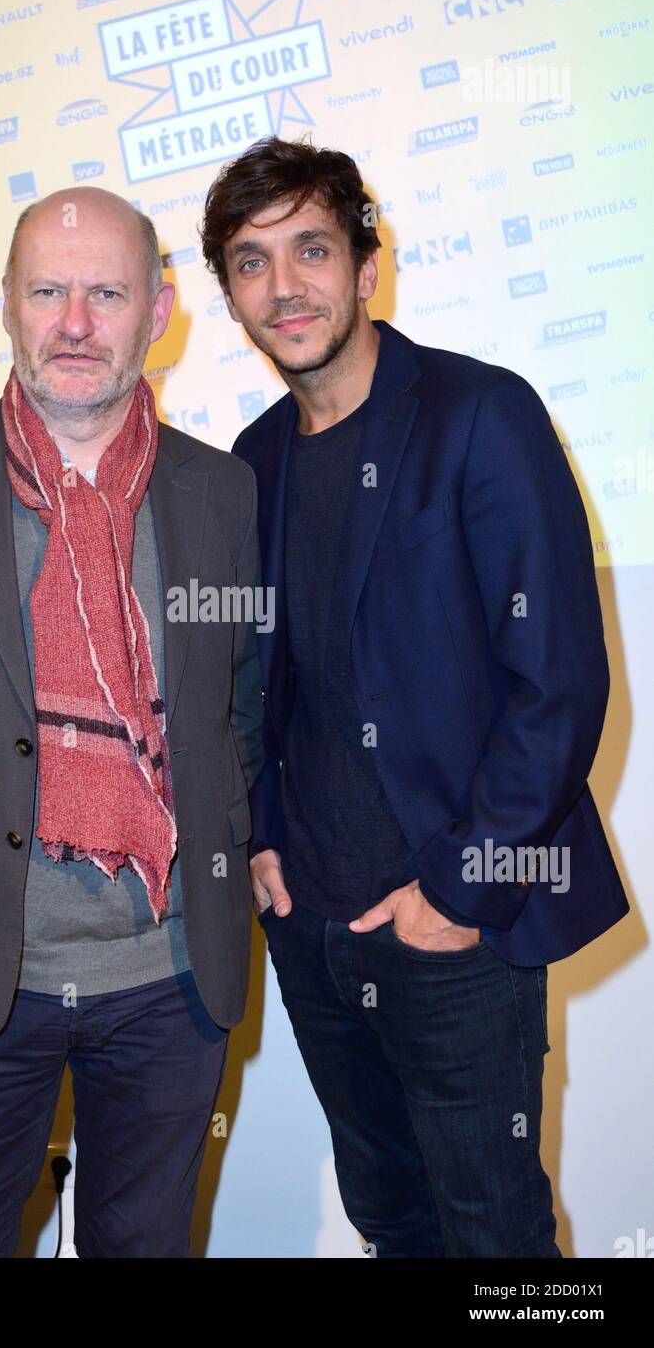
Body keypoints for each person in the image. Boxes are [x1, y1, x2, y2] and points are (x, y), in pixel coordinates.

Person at [199, 135, 629, 1258]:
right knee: (390, 1222)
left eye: (309, 249)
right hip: (315, 933)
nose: (283, 287)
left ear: (363, 265)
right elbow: (256, 689)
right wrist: (258, 838)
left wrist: (455, 890)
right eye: (251, 262)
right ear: (229, 294)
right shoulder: (252, 463)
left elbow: (558, 686)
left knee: (496, 1236)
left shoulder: (479, 415)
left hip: (455, 930)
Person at [0, 186, 264, 1258]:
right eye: (48, 292)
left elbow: (239, 708)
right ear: (9, 307)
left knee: (144, 1245)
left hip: (168, 980)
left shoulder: (223, 494)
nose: (75, 322)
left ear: (156, 311)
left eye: (106, 292)